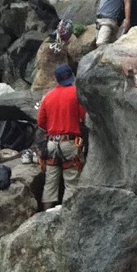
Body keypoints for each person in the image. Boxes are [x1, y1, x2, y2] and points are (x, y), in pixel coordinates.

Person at [34, 62, 87, 209]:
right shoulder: (76, 94)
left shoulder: (48, 97)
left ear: (57, 80)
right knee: (71, 182)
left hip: (51, 144)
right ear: (72, 76)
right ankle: (68, 217)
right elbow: (84, 117)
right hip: (70, 143)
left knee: (50, 184)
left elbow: (41, 123)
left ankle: (45, 218)